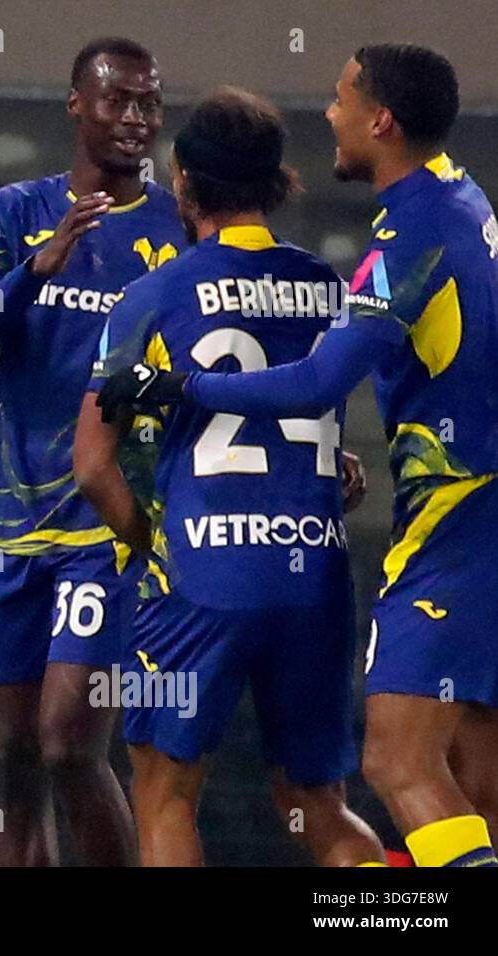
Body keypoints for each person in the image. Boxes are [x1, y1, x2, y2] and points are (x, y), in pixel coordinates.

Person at [100, 45, 498, 869]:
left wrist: (181, 392)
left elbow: (317, 380)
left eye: (342, 97)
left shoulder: (407, 236)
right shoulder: (459, 205)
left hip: (449, 529)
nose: (330, 113)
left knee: (395, 762)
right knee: (463, 773)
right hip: (326, 571)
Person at [79, 88, 384, 866]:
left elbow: (93, 465)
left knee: (165, 793)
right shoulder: (327, 285)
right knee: (320, 804)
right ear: (277, 181)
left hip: (202, 578)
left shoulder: (151, 296)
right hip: (314, 573)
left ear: (183, 180)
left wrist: (155, 542)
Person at [0, 37, 184, 865]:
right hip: (6, 515)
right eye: (118, 101)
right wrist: (36, 270)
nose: (136, 119)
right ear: (77, 104)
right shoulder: (16, 210)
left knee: (68, 742)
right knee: (8, 760)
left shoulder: (178, 225)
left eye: (149, 103)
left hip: (108, 516)